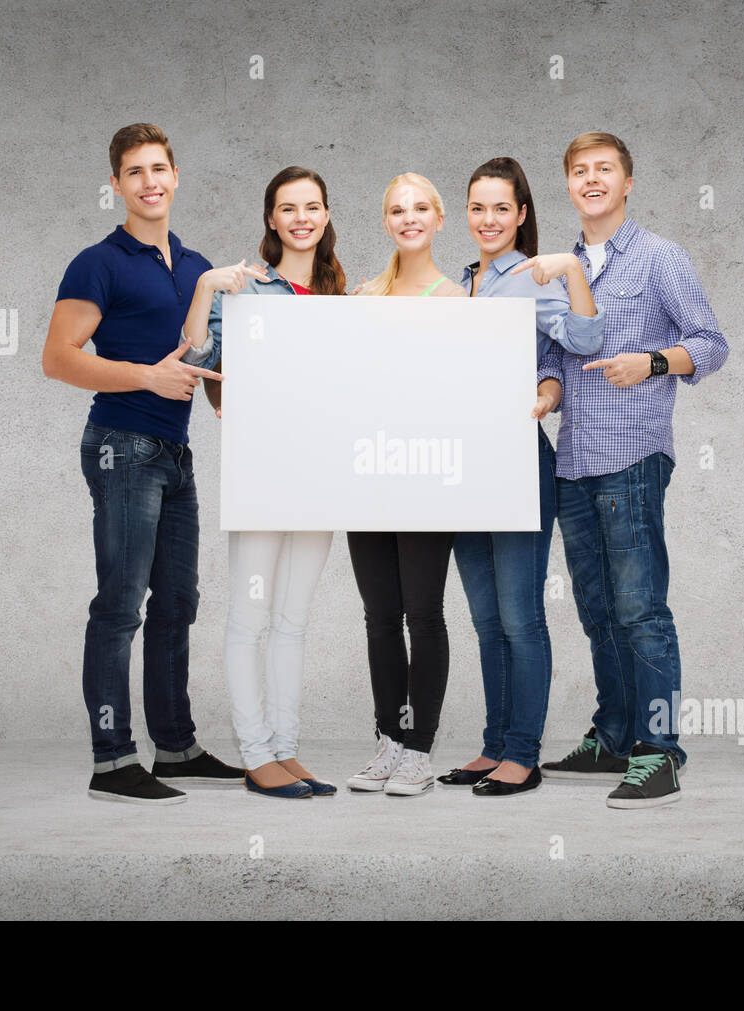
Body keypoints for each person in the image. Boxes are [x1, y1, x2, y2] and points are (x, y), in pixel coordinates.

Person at [43, 123, 247, 804]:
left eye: (159, 168)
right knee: (121, 605)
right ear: (116, 186)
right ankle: (112, 758)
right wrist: (146, 377)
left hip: (176, 453)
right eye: (134, 172)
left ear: (177, 174)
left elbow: (210, 369)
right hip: (122, 445)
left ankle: (177, 747)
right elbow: (59, 357)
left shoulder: (197, 267)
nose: (149, 181)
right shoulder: (98, 262)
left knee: (178, 603)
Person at [537, 131, 730, 808]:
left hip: (634, 456)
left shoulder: (658, 258)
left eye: (605, 170)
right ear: (569, 184)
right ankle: (614, 734)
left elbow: (710, 343)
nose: (592, 179)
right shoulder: (559, 267)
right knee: (596, 610)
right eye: (580, 170)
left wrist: (649, 361)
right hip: (574, 458)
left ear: (627, 183)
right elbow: (555, 357)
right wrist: (546, 391)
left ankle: (658, 751)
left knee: (640, 608)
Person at [437, 157, 603, 797]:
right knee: (484, 619)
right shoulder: (462, 281)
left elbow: (584, 340)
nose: (488, 219)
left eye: (501, 208)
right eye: (478, 207)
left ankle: (523, 756)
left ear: (523, 214)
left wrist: (572, 269)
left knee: (519, 617)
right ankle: (493, 745)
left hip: (515, 461)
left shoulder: (534, 276)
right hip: (463, 465)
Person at [184, 167, 346, 799]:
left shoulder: (341, 297)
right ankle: (254, 753)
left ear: (326, 215)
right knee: (250, 618)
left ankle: (285, 749)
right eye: (288, 208)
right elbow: (197, 358)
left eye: (312, 206)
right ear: (272, 220)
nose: (301, 217)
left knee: (293, 621)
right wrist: (205, 289)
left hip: (320, 474)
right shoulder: (244, 289)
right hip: (262, 471)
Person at [345, 173, 468, 797]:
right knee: (379, 617)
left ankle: (419, 749)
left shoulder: (458, 300)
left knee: (422, 613)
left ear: (440, 219)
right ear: (386, 220)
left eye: (421, 208)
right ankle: (388, 742)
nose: (409, 217)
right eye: (397, 209)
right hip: (368, 470)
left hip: (425, 471)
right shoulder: (364, 293)